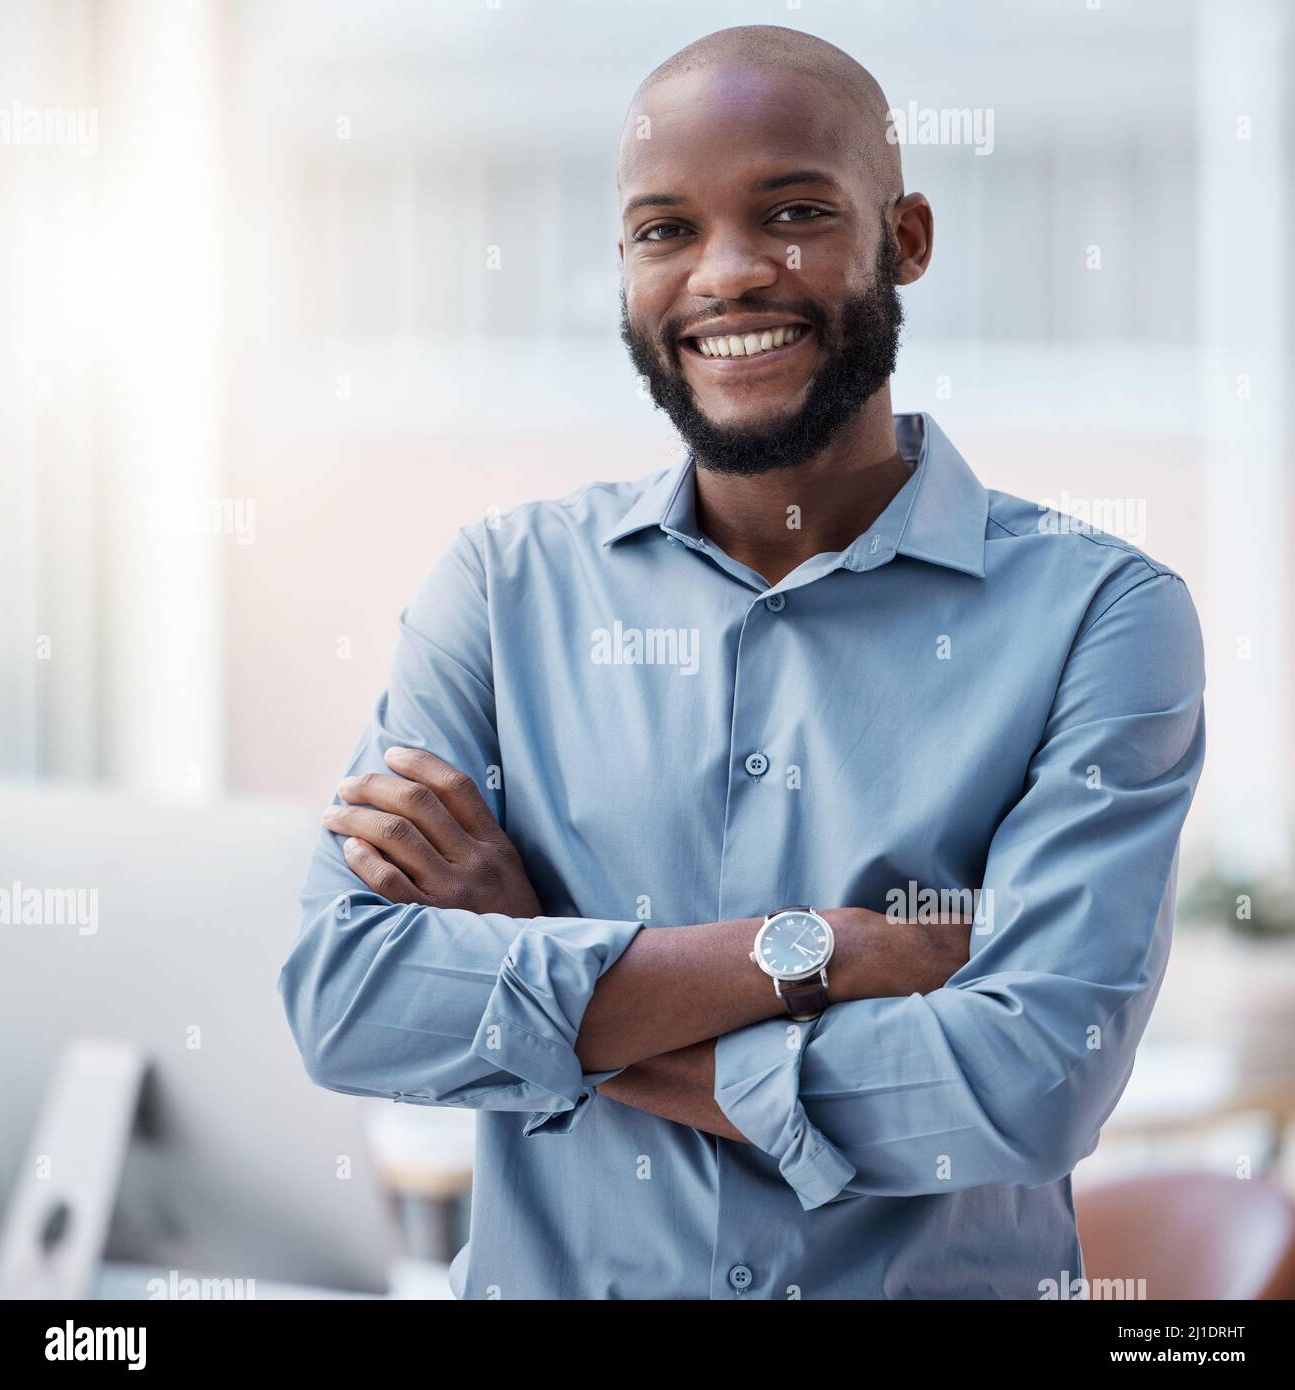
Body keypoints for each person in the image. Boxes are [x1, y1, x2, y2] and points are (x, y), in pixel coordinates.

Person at [279, 25, 1206, 1300]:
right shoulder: (500, 591)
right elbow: (350, 1000)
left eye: (793, 211)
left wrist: (538, 956)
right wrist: (812, 950)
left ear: (909, 240)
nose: (727, 274)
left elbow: (1021, 1084)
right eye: (664, 230)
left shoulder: (1101, 616)